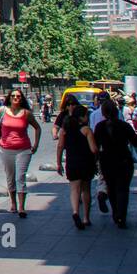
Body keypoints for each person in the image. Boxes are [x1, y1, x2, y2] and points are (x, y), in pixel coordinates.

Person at [0, 88, 41, 218]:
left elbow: (37, 128)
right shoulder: (2, 111)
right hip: (6, 149)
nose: (16, 98)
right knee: (10, 177)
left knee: (20, 177)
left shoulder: (26, 113)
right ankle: (13, 204)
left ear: (21, 98)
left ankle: (21, 207)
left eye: (18, 96)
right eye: (13, 96)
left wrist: (36, 144)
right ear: (9, 98)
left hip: (24, 149)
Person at [93, 98, 137, 228]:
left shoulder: (99, 127)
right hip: (123, 160)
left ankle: (116, 213)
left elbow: (95, 146)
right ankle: (121, 216)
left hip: (107, 161)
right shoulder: (124, 126)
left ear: (103, 113)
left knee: (112, 188)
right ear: (117, 112)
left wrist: (95, 161)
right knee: (123, 189)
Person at [56, 97, 99, 229]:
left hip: (72, 162)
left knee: (74, 189)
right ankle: (86, 217)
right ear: (82, 117)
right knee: (86, 190)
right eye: (86, 115)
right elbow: (94, 149)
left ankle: (75, 212)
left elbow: (60, 147)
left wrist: (58, 163)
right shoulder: (86, 130)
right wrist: (97, 158)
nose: (87, 117)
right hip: (86, 163)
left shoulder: (65, 130)